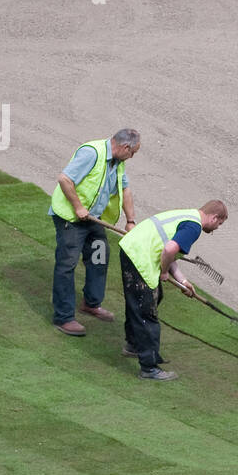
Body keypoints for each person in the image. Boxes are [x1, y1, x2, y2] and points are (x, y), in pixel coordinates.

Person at [117, 201, 228, 380]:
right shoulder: (194, 227)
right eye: (219, 224)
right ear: (214, 217)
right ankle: (149, 368)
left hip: (132, 250)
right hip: (140, 257)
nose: (217, 228)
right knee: (147, 311)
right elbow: (169, 250)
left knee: (147, 299)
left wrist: (183, 281)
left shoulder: (187, 214)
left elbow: (169, 250)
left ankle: (134, 345)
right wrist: (163, 271)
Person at [49, 129, 140, 336]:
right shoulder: (92, 153)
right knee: (67, 265)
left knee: (99, 258)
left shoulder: (118, 161)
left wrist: (131, 221)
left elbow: (124, 189)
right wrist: (78, 207)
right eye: (133, 152)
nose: (132, 157)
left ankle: (91, 303)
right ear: (126, 147)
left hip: (94, 220)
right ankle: (63, 317)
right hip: (70, 219)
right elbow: (64, 179)